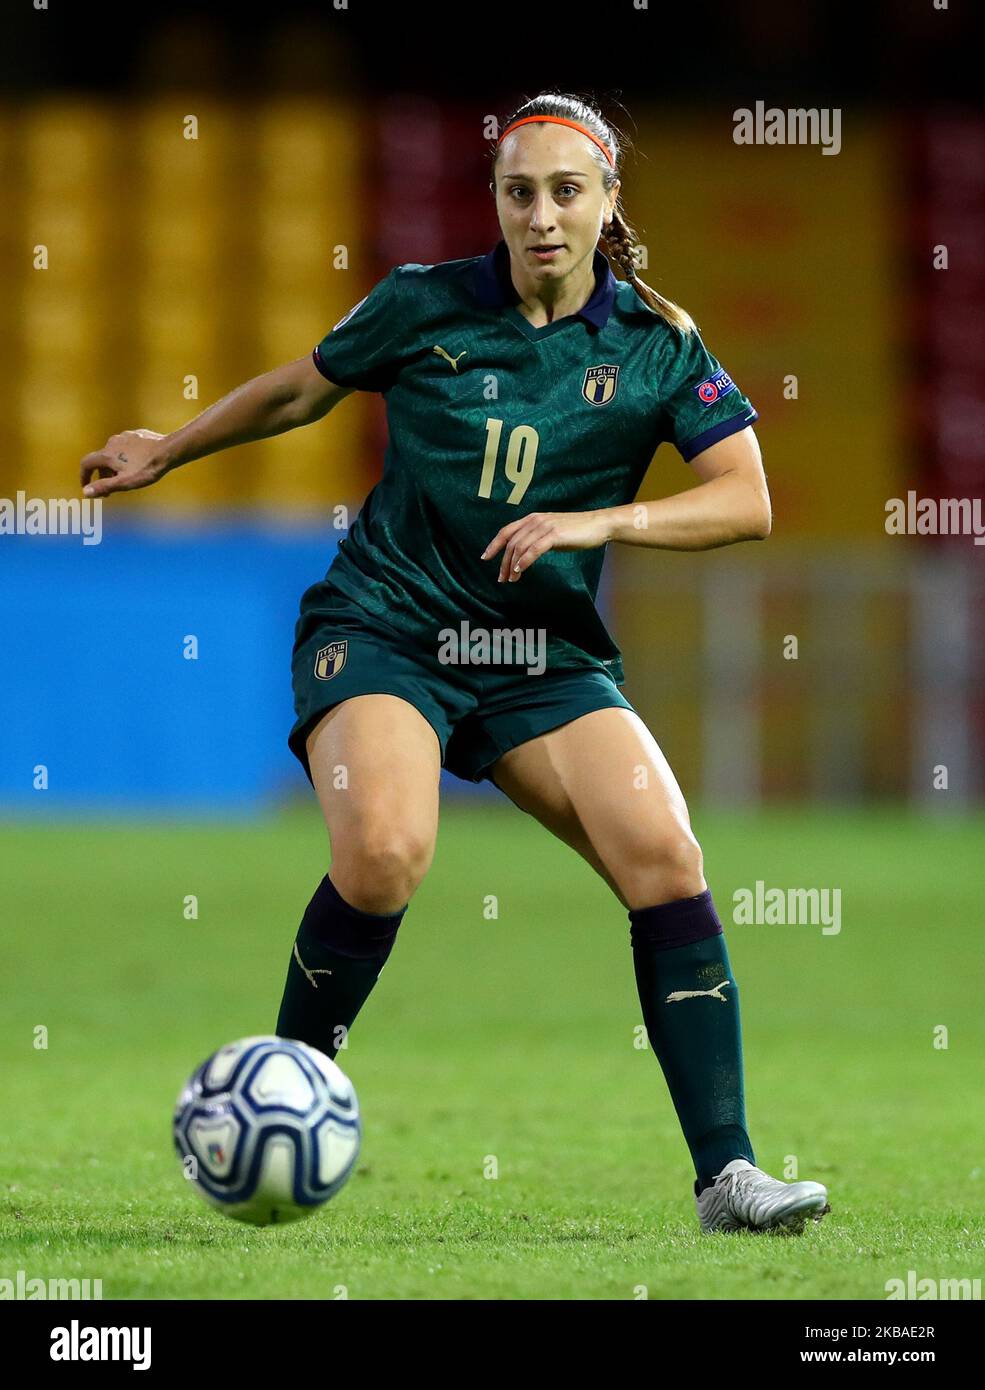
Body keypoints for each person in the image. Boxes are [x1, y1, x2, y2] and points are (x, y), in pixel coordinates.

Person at [80, 92, 830, 1235]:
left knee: (666, 857)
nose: (540, 214)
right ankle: (272, 1093)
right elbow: (301, 386)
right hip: (386, 625)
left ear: (606, 204)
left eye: (566, 191)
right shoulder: (424, 306)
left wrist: (600, 526)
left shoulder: (655, 346)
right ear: (495, 198)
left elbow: (747, 500)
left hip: (540, 657)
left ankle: (727, 1179)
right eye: (518, 190)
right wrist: (169, 449)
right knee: (385, 852)